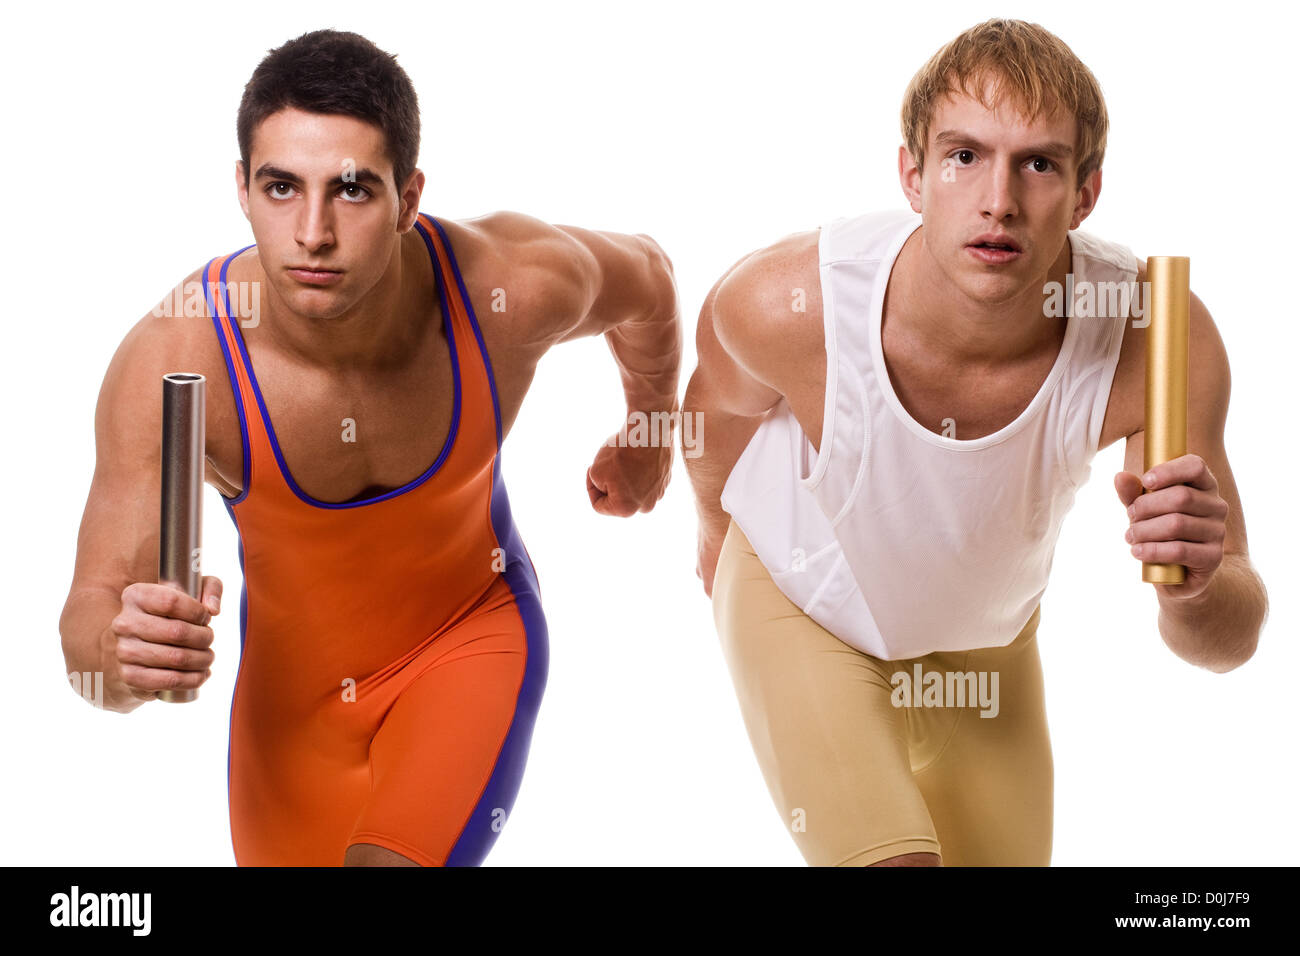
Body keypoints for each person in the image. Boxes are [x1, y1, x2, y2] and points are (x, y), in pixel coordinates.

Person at [58, 29, 681, 866]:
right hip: (289, 721)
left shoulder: (506, 288)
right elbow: (88, 628)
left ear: (409, 198)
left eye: (351, 191)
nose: (312, 233)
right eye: (282, 187)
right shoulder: (178, 359)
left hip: (471, 639)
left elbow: (649, 279)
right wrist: (123, 657)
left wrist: (651, 433)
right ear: (241, 188)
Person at [683, 17, 1267, 866]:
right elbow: (709, 427)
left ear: (1086, 193)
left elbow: (1228, 643)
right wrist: (713, 538)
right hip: (803, 607)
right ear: (912, 176)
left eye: (1039, 163)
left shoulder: (1154, 334)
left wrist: (1195, 585)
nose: (999, 200)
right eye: (964, 156)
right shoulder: (787, 304)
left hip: (986, 647)